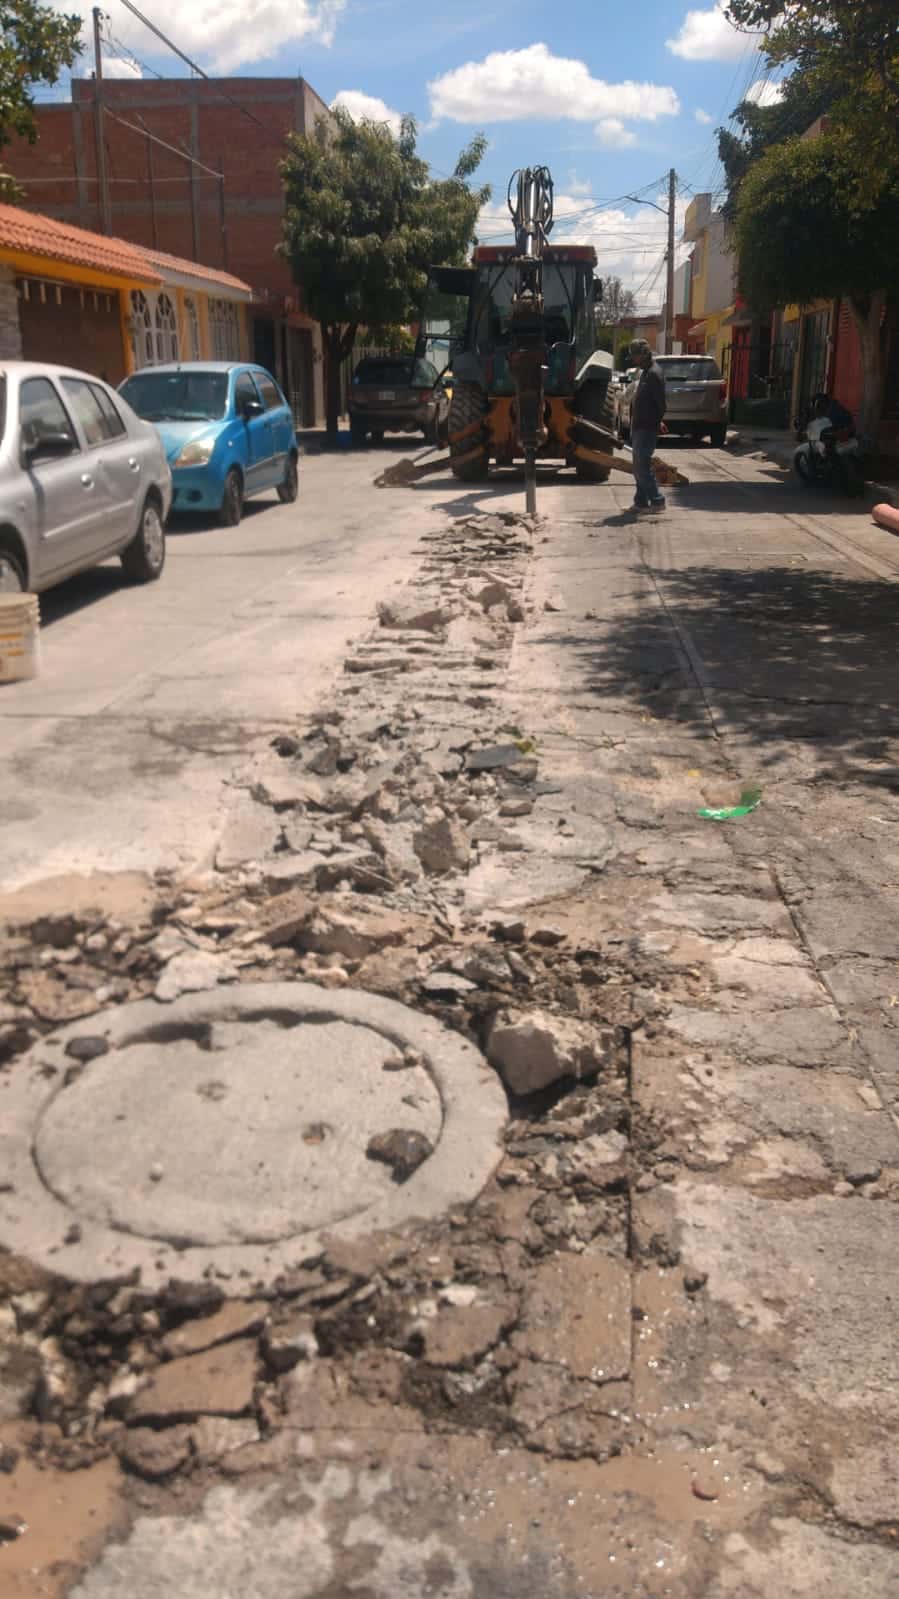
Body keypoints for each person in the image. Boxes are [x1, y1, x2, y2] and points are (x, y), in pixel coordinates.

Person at [628, 339, 667, 512]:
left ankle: (657, 501)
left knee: (641, 467)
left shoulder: (653, 374)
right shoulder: (645, 372)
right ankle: (640, 502)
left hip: (646, 428)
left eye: (635, 355)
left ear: (644, 354)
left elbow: (661, 405)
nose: (633, 359)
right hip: (639, 427)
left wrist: (656, 422)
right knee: (638, 466)